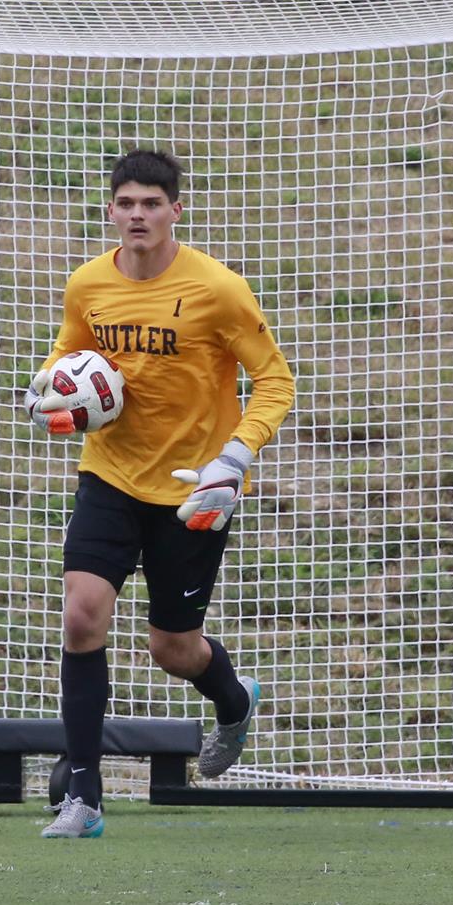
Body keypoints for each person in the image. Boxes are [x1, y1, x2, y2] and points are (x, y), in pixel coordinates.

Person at [22, 149, 295, 839]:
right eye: (126, 203)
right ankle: (82, 799)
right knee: (82, 616)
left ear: (177, 209)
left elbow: (275, 382)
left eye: (151, 203)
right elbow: (69, 352)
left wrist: (233, 459)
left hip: (194, 486)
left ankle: (233, 701)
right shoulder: (88, 283)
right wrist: (57, 390)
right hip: (109, 474)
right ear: (110, 209)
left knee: (173, 648)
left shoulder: (219, 289)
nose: (137, 214)